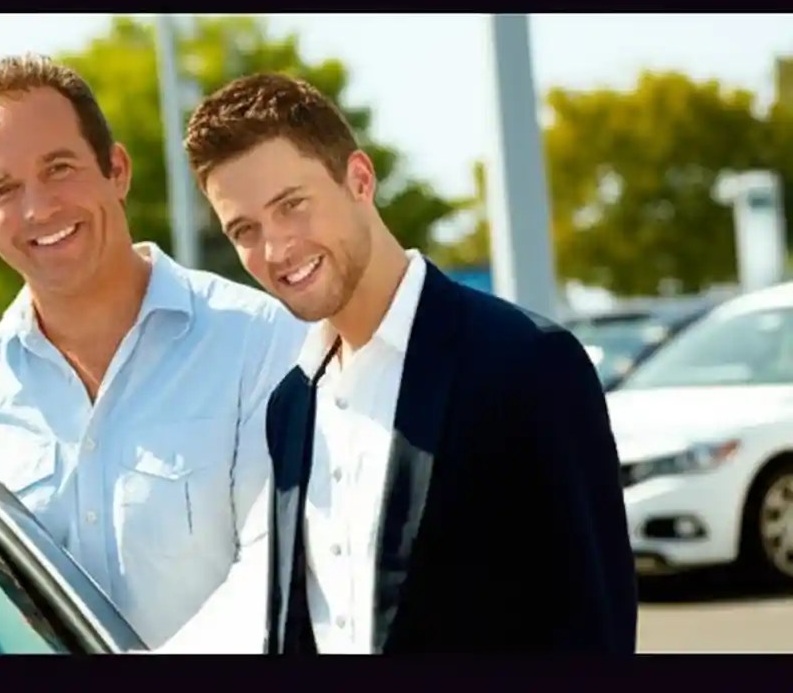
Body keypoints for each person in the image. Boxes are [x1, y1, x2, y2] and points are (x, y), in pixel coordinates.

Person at [182, 72, 638, 654]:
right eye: (245, 230)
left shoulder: (527, 365)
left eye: (292, 205)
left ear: (359, 179)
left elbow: (593, 633)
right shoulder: (291, 406)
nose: (275, 249)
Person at [0, 55, 308, 653]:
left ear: (117, 169)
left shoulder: (259, 341)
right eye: (5, 189)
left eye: (60, 168)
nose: (39, 208)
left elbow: (276, 572)